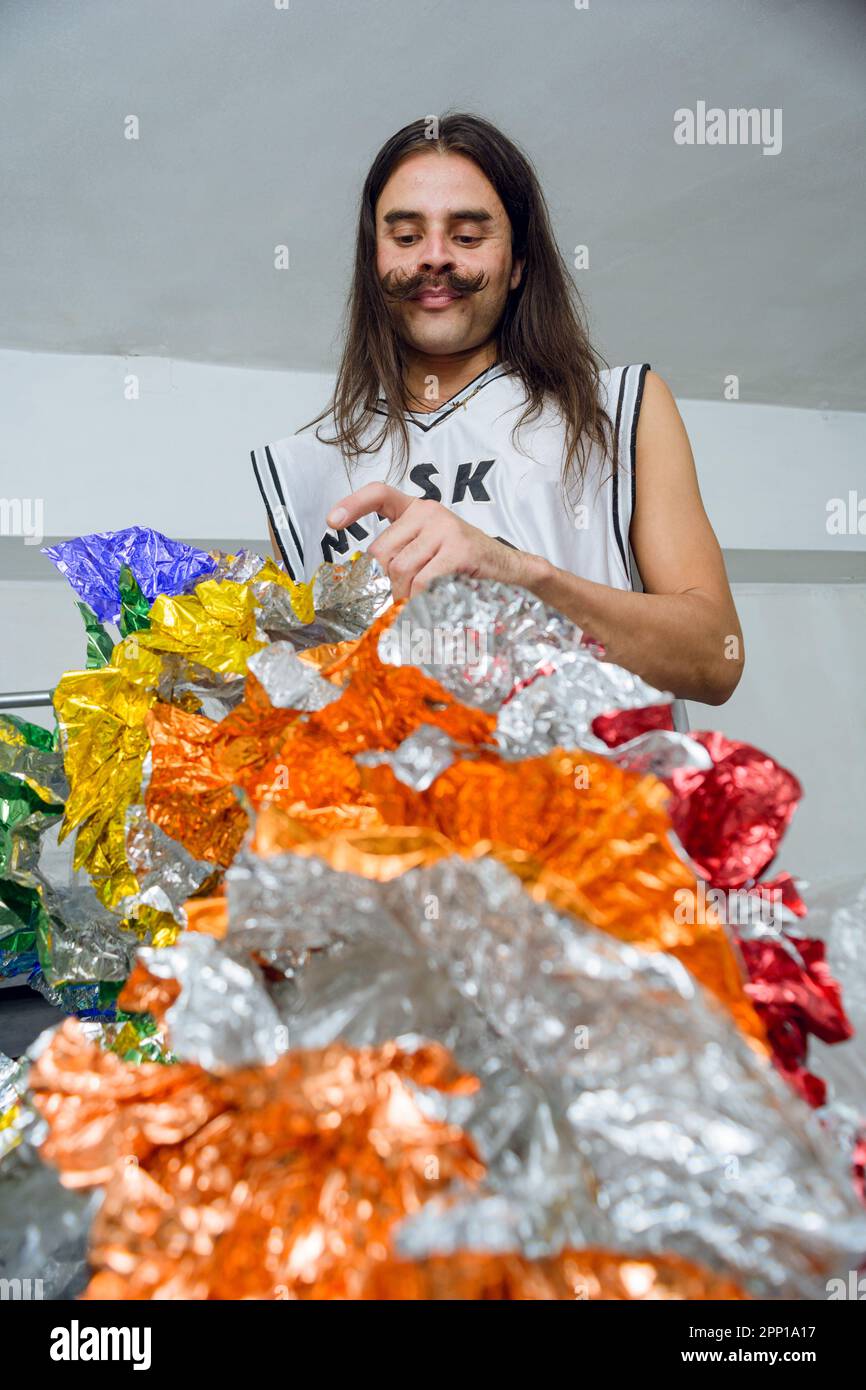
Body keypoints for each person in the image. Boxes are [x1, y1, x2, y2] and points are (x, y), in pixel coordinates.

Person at [252, 113, 743, 711]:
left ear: (518, 263)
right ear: (374, 264)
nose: (434, 258)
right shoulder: (306, 471)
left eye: (466, 236)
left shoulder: (618, 409)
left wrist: (521, 576)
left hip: (592, 800)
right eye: (406, 237)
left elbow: (717, 660)